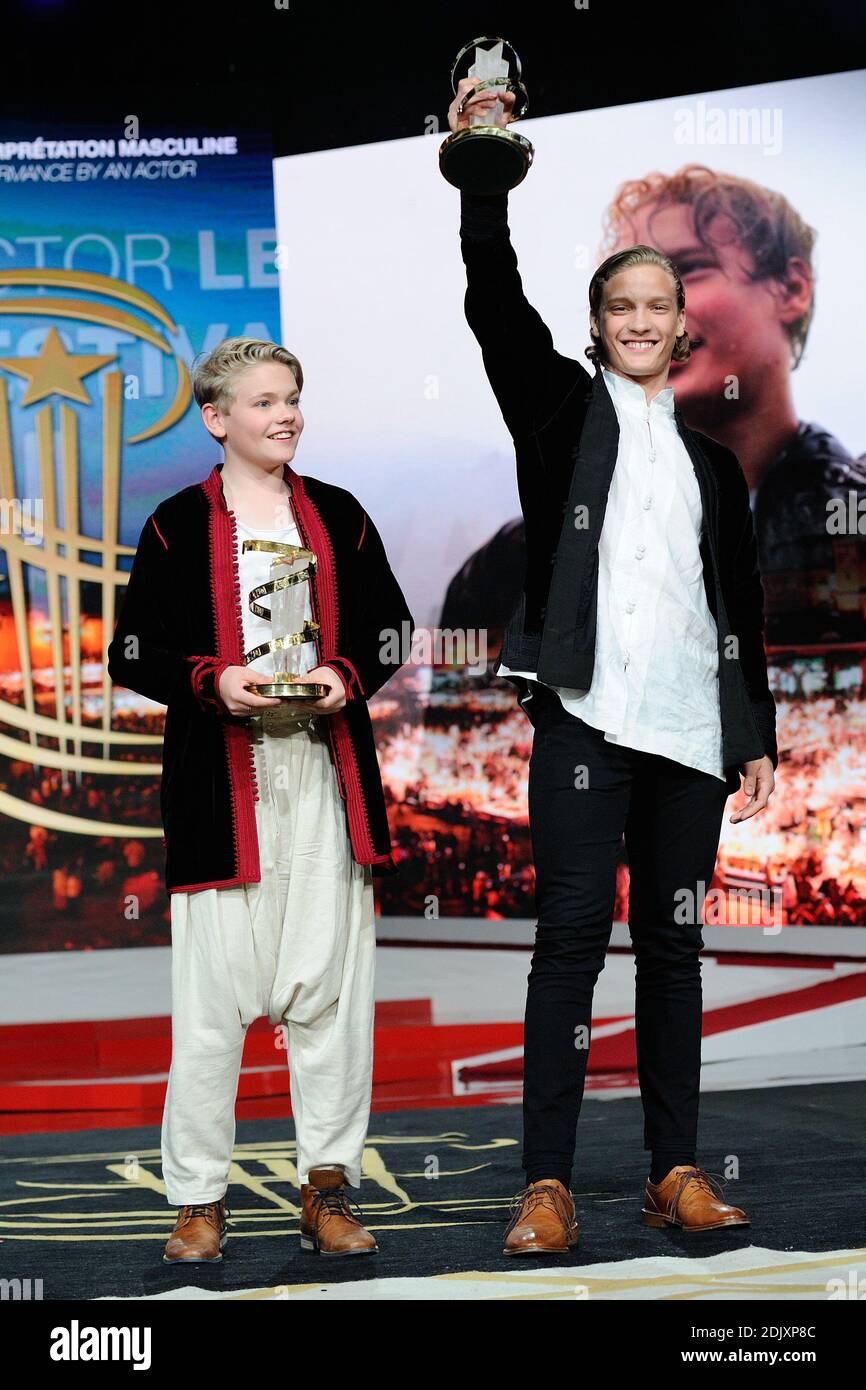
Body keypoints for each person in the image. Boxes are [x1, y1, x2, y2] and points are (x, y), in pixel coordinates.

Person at [448, 80, 778, 1252]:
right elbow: (494, 304)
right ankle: (545, 1182)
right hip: (586, 722)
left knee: (675, 950)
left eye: (657, 302)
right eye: (619, 305)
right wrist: (482, 172)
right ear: (597, 327)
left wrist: (755, 732)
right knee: (569, 947)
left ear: (680, 325)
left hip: (690, 728)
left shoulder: (712, 466)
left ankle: (671, 1169)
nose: (640, 319)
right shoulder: (553, 414)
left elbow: (733, 607)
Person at [107, 336, 413, 1262]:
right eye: (265, 401)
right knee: (210, 1008)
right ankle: (198, 1199)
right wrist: (212, 681)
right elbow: (129, 652)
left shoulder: (342, 516)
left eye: (293, 399)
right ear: (216, 417)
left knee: (330, 999)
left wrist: (342, 674)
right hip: (221, 798)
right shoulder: (173, 525)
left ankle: (327, 1188)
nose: (285, 415)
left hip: (324, 785)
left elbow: (393, 627)